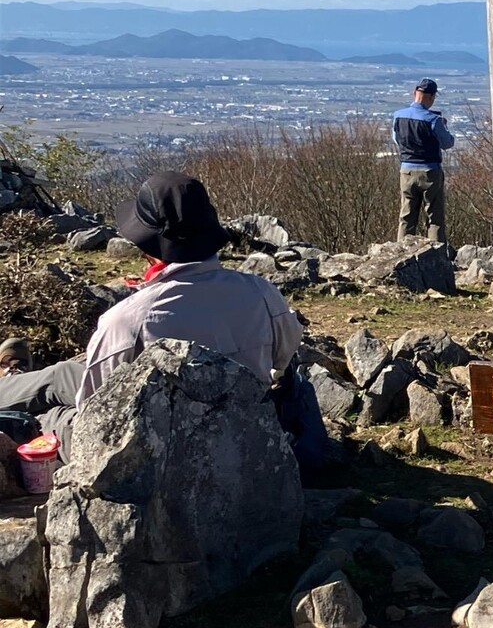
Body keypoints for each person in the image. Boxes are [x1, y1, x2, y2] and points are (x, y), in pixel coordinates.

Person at [0, 172, 303, 458]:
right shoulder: (262, 293)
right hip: (240, 431)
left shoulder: (129, 319)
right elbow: (282, 360)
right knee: (62, 373)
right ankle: (13, 383)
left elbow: (94, 409)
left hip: (151, 450)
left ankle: (19, 406)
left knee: (49, 413)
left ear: (148, 246)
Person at [392, 77, 454, 245]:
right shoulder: (433, 120)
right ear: (432, 97)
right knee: (434, 217)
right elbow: (448, 143)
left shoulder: (398, 117)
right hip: (430, 171)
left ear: (415, 93)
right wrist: (444, 126)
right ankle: (436, 255)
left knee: (406, 216)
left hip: (406, 170)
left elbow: (397, 139)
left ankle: (401, 255)